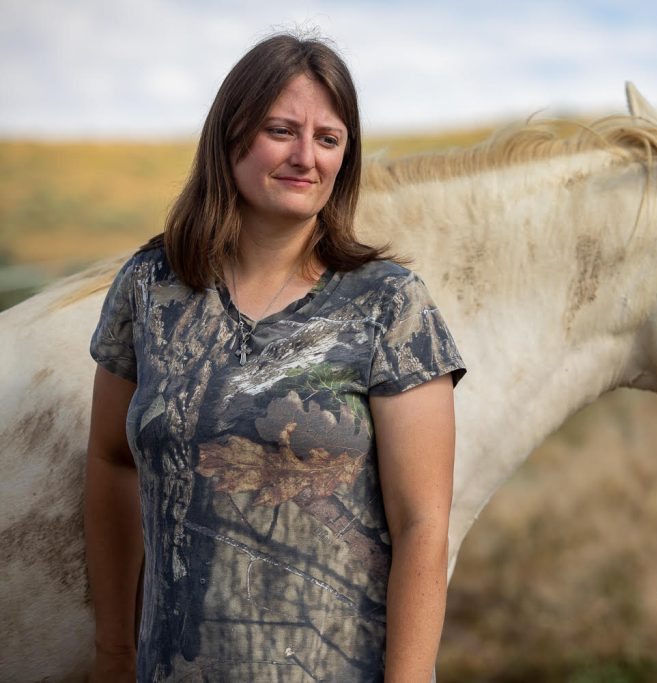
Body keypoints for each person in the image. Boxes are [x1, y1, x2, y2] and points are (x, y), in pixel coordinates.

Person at [85, 33, 465, 682]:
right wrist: (116, 652)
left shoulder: (388, 305)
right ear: (230, 136)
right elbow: (110, 460)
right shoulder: (151, 287)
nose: (304, 156)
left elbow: (423, 523)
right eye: (281, 130)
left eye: (328, 138)